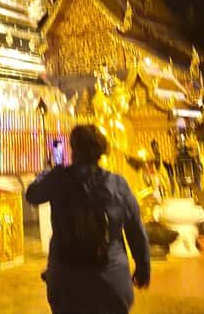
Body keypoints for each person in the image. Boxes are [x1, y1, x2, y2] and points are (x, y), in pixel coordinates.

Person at [27, 125, 151, 314]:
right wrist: (143, 265)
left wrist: (45, 173)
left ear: (73, 149)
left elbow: (32, 195)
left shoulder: (58, 179)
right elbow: (135, 229)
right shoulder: (117, 184)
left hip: (67, 280)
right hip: (111, 280)